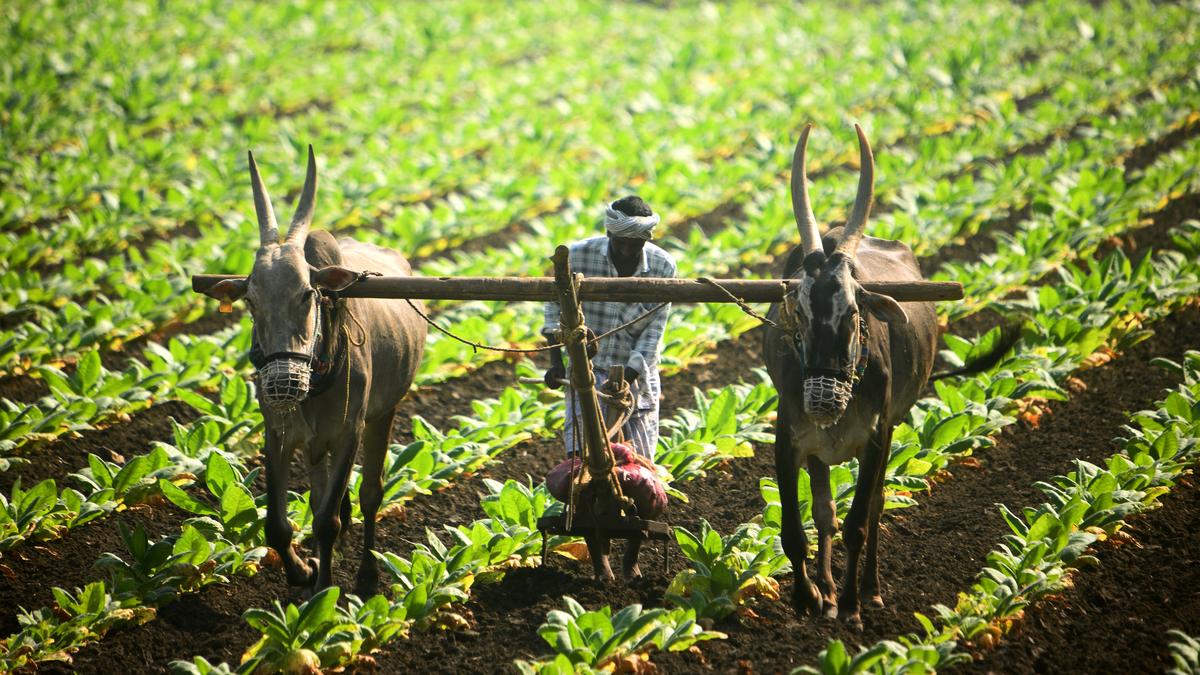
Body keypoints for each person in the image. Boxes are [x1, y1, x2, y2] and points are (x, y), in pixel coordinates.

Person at [542, 195, 676, 460]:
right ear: (609, 233)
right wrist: (556, 361)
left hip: (636, 374)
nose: (627, 252)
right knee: (582, 460)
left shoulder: (663, 266)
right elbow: (554, 308)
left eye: (635, 245)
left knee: (636, 465)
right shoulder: (578, 256)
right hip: (586, 371)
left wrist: (626, 378)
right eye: (621, 243)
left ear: (647, 239)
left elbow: (653, 332)